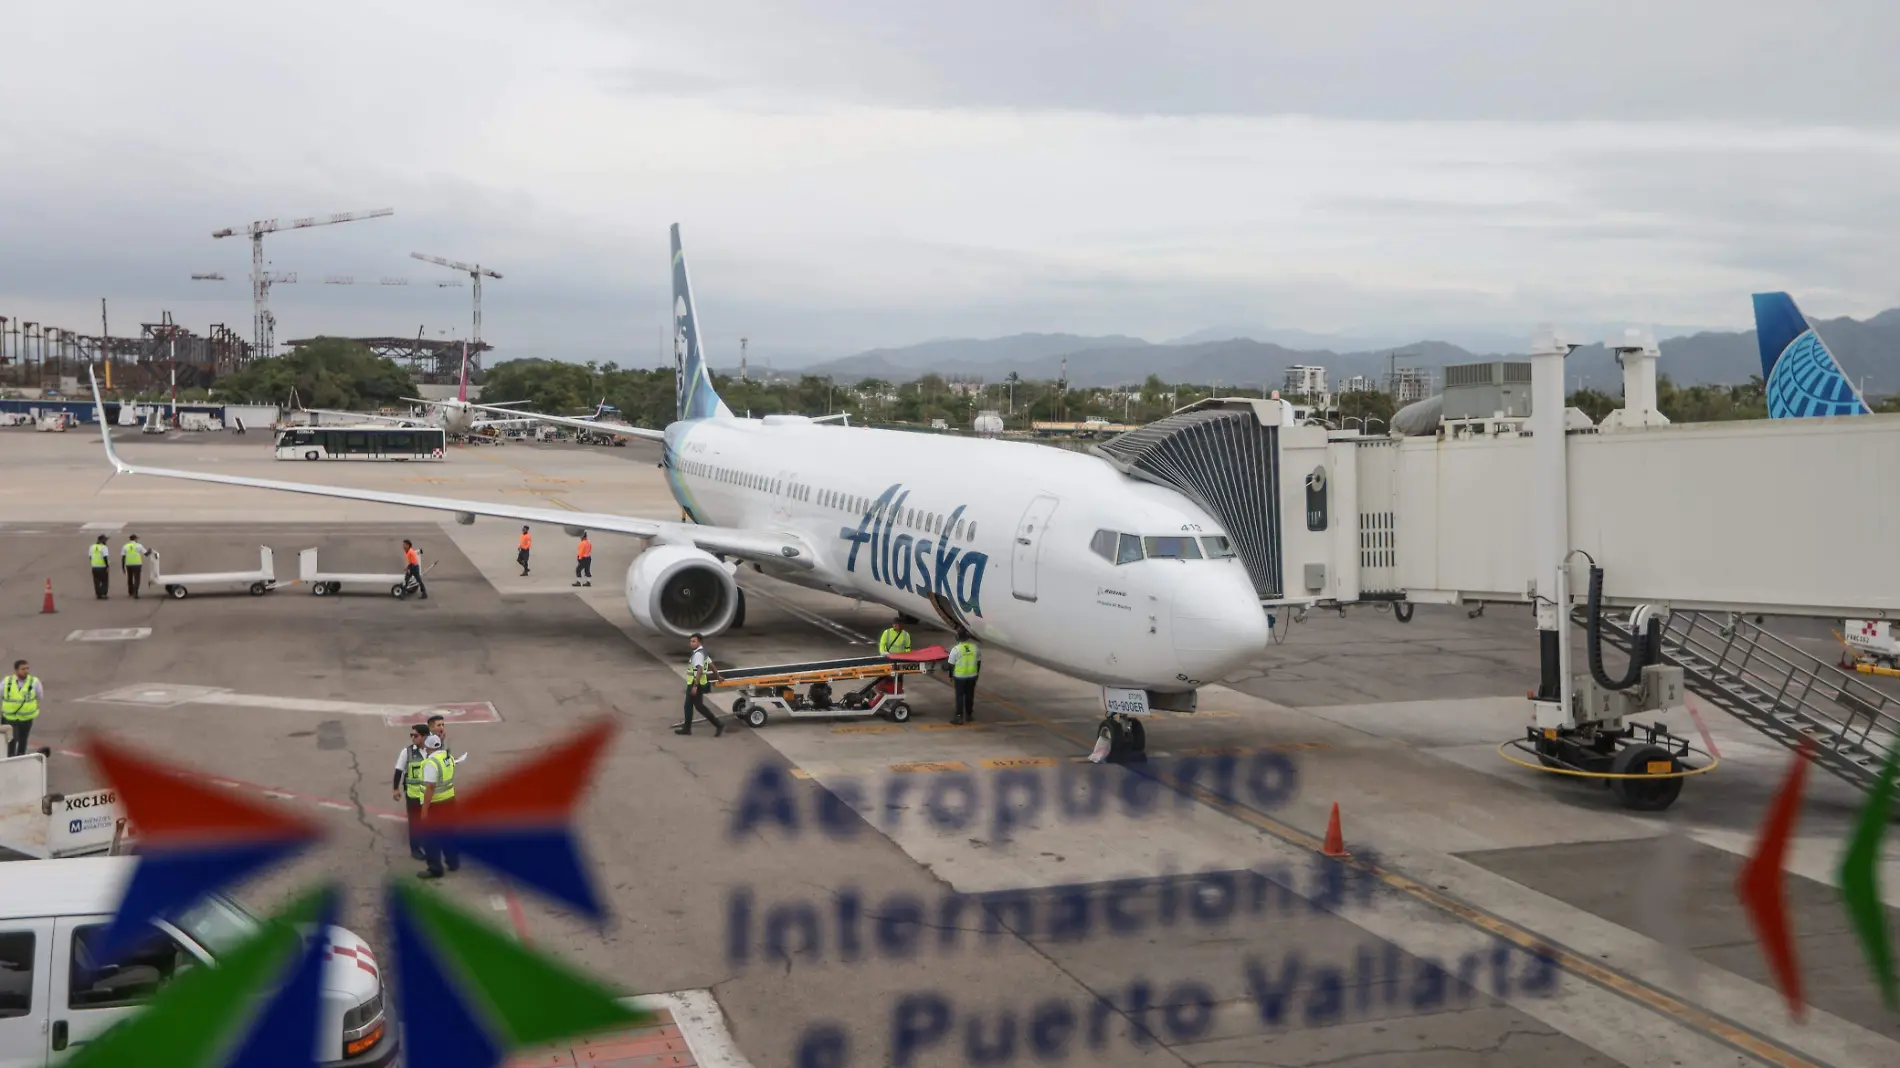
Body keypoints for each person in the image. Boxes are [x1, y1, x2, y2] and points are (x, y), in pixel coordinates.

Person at [416, 734, 461, 879]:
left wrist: (424, 810)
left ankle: (435, 869)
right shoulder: (447, 757)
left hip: (436, 804)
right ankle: (453, 862)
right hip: (450, 800)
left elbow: (430, 787)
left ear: (427, 748)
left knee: (431, 839)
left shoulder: (431, 763)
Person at [391, 724, 430, 861]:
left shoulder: (433, 750)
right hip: (413, 794)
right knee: (415, 822)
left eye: (416, 735)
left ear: (424, 737)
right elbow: (399, 771)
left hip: (429, 794)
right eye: (412, 735)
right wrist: (395, 789)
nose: (413, 738)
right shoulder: (406, 752)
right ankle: (415, 849)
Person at [677, 633, 724, 736]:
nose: (691, 643)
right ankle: (687, 728)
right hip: (697, 683)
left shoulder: (698, 654)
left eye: (694, 641)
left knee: (698, 706)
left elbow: (699, 670)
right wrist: (718, 676)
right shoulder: (702, 652)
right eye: (690, 641)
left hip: (695, 683)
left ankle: (718, 724)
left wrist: (695, 686)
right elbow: (712, 665)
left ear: (700, 642)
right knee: (690, 705)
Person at [3, 661, 42, 758]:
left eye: (27, 668)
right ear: (16, 671)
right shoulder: (7, 681)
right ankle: (10, 757)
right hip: (10, 717)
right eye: (23, 669)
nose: (26, 671)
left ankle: (21, 757)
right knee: (12, 739)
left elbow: (39, 696)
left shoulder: (34, 682)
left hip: (26, 717)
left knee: (23, 739)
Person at [950, 628, 981, 724]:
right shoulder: (975, 647)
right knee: (970, 695)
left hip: (960, 677)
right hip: (972, 675)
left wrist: (950, 676)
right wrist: (977, 673)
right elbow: (978, 662)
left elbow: (951, 664)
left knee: (959, 696)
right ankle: (969, 715)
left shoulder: (956, 649)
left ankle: (959, 716)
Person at [120, 535, 147, 599]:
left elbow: (123, 557)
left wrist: (123, 567)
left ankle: (130, 591)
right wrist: (150, 551)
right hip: (137, 564)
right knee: (137, 579)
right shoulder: (139, 545)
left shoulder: (125, 546)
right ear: (135, 539)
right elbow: (146, 553)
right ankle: (136, 593)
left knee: (130, 578)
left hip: (128, 564)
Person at [88, 536, 111, 600]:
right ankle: (103, 593)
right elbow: (105, 557)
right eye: (105, 540)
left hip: (94, 566)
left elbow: (90, 557)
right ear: (101, 540)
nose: (106, 541)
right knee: (105, 581)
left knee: (96, 581)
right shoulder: (104, 547)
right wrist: (107, 566)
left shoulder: (92, 547)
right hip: (102, 566)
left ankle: (98, 594)